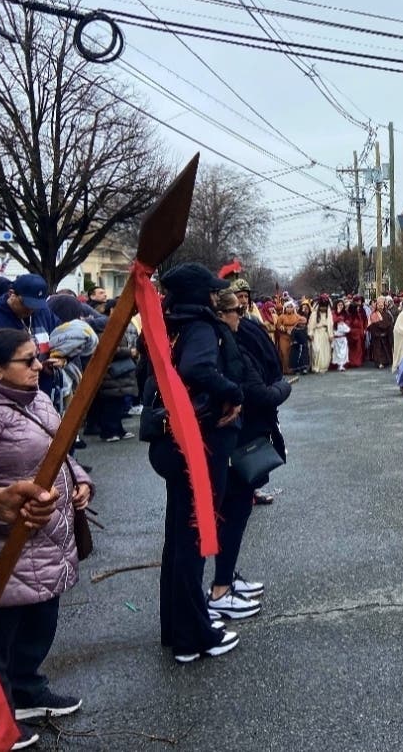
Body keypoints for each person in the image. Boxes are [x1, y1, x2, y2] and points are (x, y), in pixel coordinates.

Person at [0, 329, 93, 736]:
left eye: (38, 357)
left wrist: (80, 481)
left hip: (48, 541)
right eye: (27, 360)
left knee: (39, 624)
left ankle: (28, 689)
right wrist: (1, 502)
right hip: (3, 548)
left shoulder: (39, 399)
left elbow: (60, 450)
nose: (39, 366)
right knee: (1, 635)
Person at [141, 264, 244, 664]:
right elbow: (197, 369)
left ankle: (178, 625)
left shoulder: (170, 324)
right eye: (212, 292)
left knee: (178, 539)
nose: (217, 297)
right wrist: (232, 391)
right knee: (192, 539)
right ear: (200, 295)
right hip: (196, 443)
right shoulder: (199, 327)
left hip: (175, 443)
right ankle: (192, 637)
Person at [209, 289, 292, 620]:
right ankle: (220, 589)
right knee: (233, 510)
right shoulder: (228, 349)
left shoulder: (233, 343)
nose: (240, 318)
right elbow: (259, 393)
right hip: (238, 440)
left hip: (241, 435)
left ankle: (226, 577)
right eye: (235, 312)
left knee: (238, 510)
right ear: (222, 315)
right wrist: (284, 387)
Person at [307, 296, 334, 374]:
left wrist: (331, 335)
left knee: (325, 351)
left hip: (325, 334)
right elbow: (311, 324)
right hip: (316, 333)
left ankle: (323, 367)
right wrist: (310, 333)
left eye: (325, 307)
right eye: (322, 307)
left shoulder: (328, 314)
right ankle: (315, 366)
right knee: (316, 350)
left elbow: (330, 324)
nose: (323, 309)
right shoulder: (314, 313)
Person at [273, 302, 301, 371]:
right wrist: (285, 329)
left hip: (293, 337)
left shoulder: (297, 316)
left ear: (293, 308)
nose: (289, 308)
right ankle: (285, 369)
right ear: (285, 308)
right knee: (284, 352)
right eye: (288, 307)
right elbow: (278, 326)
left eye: (291, 307)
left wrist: (294, 329)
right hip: (284, 336)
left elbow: (301, 323)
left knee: (292, 352)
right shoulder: (281, 317)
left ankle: (293, 368)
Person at [368, 298, 394, 369]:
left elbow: (390, 323)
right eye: (379, 305)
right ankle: (379, 362)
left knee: (386, 348)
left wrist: (387, 330)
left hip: (386, 335)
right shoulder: (373, 314)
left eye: (382, 305)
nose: (380, 306)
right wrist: (379, 330)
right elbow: (372, 325)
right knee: (378, 349)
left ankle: (386, 361)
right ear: (376, 306)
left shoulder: (387, 314)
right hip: (377, 335)